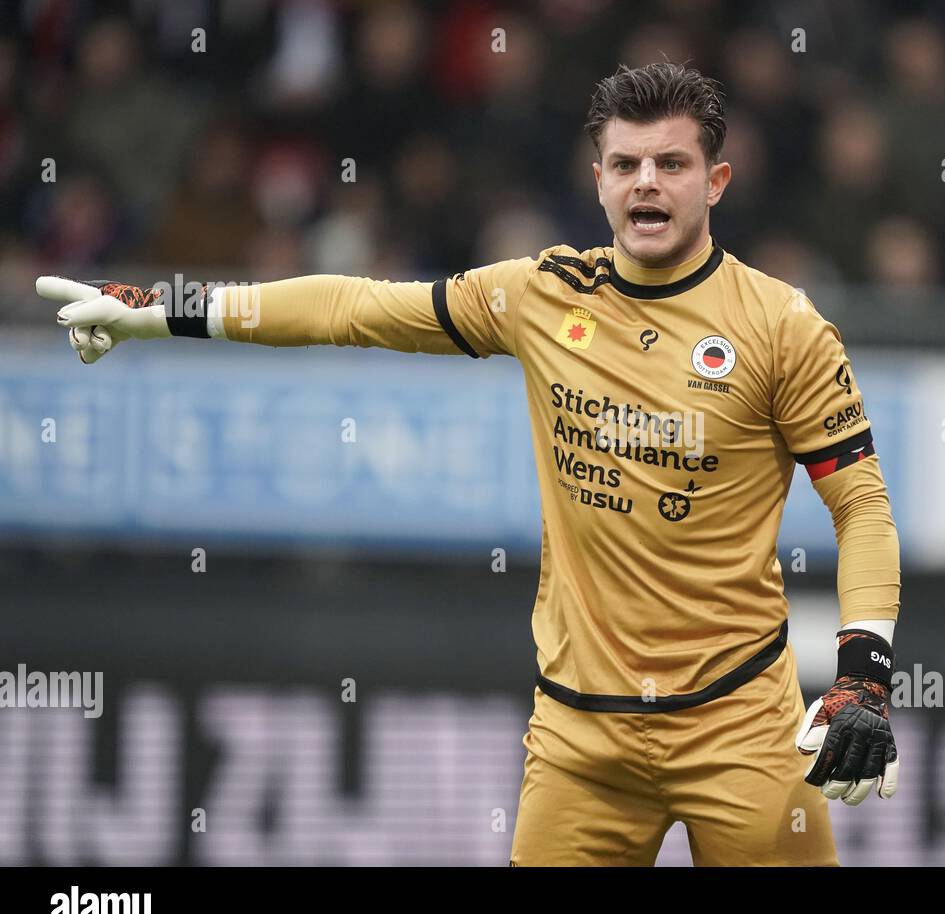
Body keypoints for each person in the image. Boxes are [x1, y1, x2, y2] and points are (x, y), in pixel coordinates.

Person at [36, 62, 901, 866]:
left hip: (741, 728)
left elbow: (860, 504)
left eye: (671, 164)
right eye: (626, 163)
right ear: (597, 180)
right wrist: (162, 305)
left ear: (715, 183)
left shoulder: (783, 327)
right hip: (580, 738)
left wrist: (862, 679)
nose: (646, 181)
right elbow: (352, 305)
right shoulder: (542, 294)